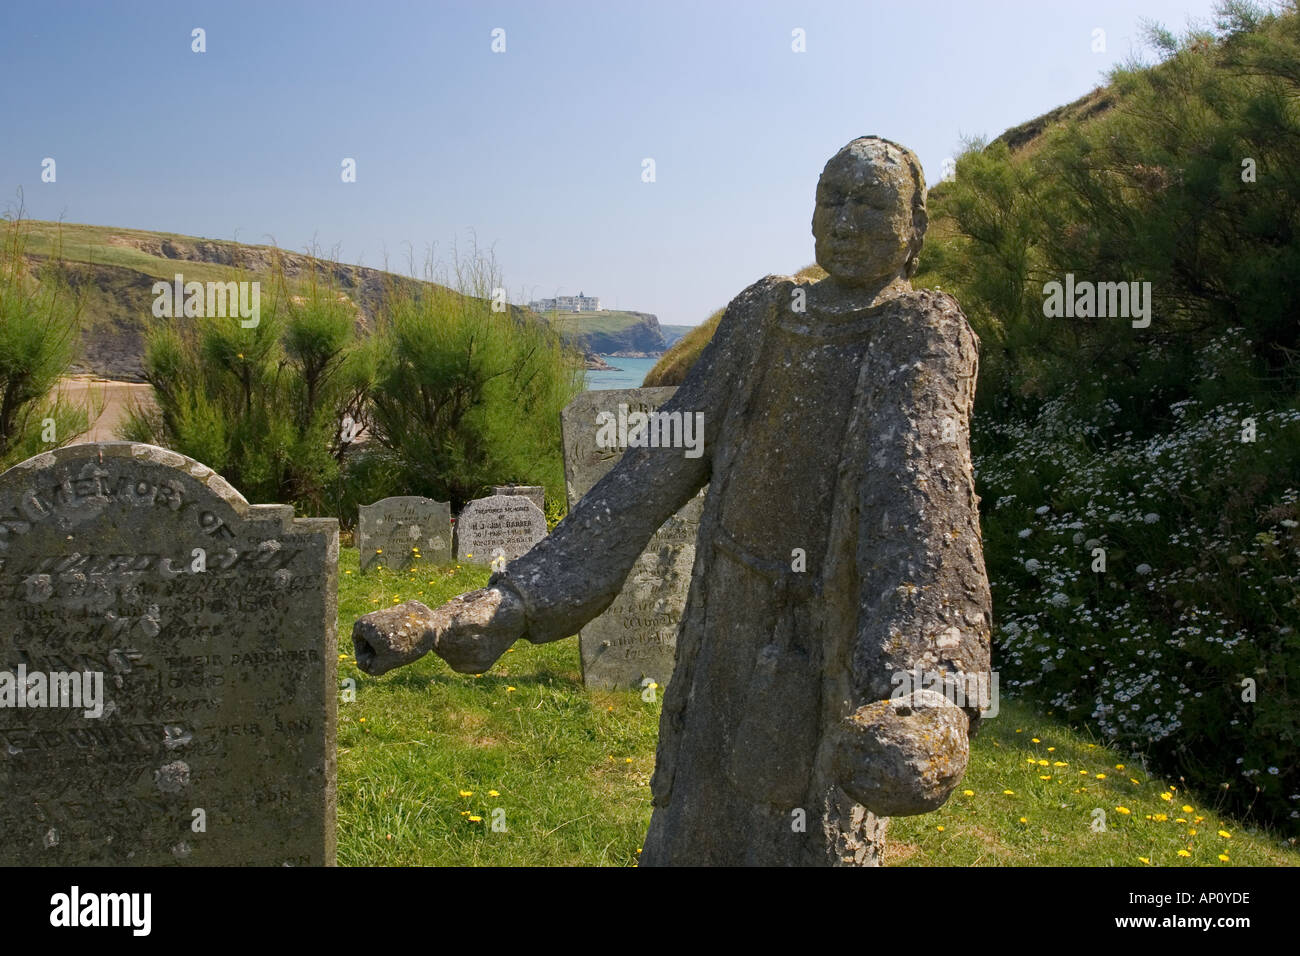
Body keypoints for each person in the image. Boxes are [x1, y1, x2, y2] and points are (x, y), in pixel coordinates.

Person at [353, 136, 993, 865]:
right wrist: (519, 601)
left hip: (824, 642)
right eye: (832, 199)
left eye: (872, 203)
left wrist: (927, 695)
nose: (845, 219)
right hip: (720, 626)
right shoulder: (763, 313)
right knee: (691, 821)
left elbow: (922, 510)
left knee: (805, 838)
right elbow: (652, 471)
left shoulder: (919, 329)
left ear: (914, 229)